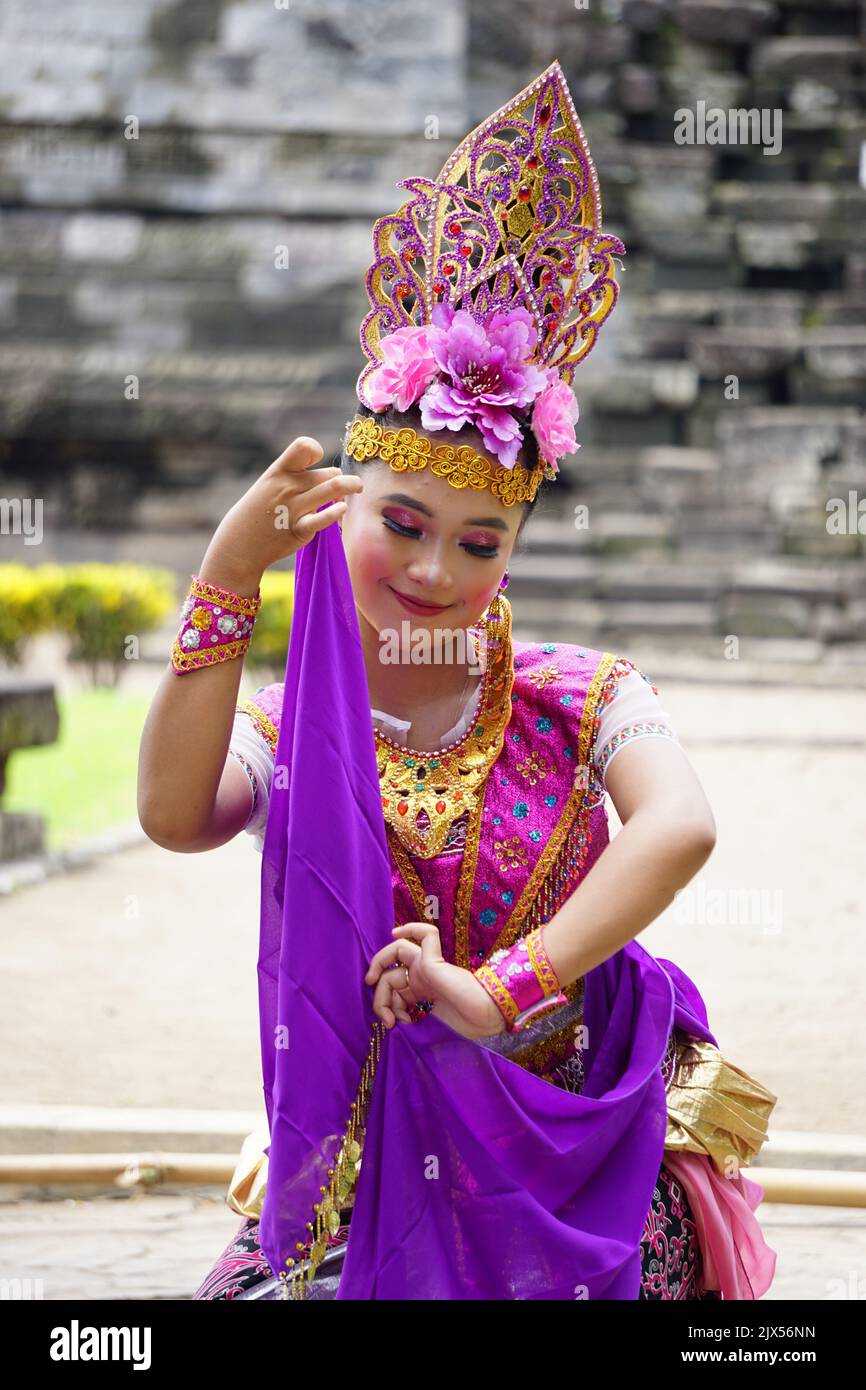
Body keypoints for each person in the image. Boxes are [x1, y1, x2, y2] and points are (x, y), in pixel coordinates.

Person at [139, 60, 777, 1301]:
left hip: (567, 1143)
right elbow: (172, 817)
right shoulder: (300, 730)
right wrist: (228, 571)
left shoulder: (576, 692)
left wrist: (496, 990)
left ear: (516, 547)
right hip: (362, 1159)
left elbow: (680, 825)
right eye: (402, 522)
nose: (434, 568)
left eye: (480, 540)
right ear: (341, 510)